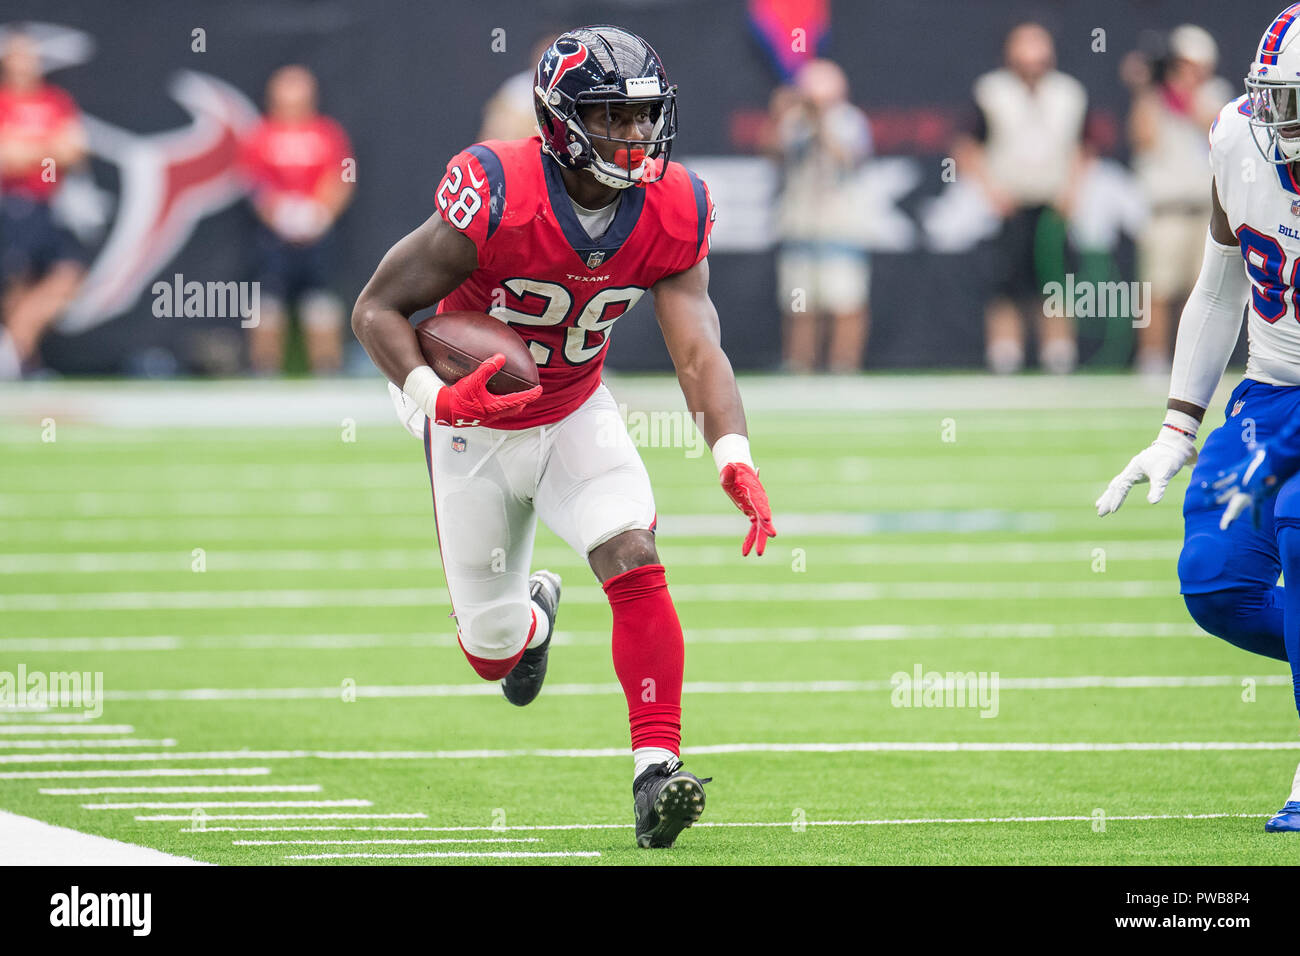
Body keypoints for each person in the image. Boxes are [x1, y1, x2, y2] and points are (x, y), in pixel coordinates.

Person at [352, 26, 777, 848]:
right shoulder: (499, 188)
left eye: (644, 117)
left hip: (578, 409)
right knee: (492, 650)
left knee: (634, 557)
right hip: (477, 429)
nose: (634, 136)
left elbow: (698, 346)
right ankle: (536, 622)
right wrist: (434, 400)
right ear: (558, 122)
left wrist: (733, 453)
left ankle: (656, 774)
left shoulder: (675, 205)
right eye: (612, 117)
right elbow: (375, 307)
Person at [1096, 4, 1300, 833]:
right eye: (1272, 98)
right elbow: (1219, 287)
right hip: (1274, 392)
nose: (1274, 120)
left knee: (1295, 526)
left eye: (1293, 101)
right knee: (1215, 582)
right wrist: (1177, 427)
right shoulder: (1236, 139)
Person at [955, 22, 1087, 374]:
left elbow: (1082, 149)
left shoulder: (1068, 93)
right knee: (1006, 284)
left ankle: (1058, 354)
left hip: (1052, 205)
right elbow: (968, 147)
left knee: (1056, 281)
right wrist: (991, 191)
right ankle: (1005, 354)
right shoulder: (992, 91)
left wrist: (1072, 191)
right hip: (1009, 205)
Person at [1128, 25, 1234, 376]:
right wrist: (1147, 89)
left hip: (1207, 210)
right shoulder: (1154, 98)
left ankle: (1196, 366)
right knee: (1157, 289)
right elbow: (1142, 139)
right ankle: (1152, 362)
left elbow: (1213, 129)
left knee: (1202, 292)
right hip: (1165, 210)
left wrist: (1181, 96)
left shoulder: (1216, 92)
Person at [239, 65, 354, 374]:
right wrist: (279, 213)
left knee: (321, 303)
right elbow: (253, 183)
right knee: (267, 303)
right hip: (273, 237)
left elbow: (341, 177)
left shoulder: (326, 132)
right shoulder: (261, 134)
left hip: (317, 235)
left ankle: (328, 370)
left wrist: (320, 214)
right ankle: (263, 370)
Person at [769, 58, 873, 373]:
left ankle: (844, 366)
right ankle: (799, 365)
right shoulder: (793, 121)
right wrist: (780, 114)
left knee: (846, 301)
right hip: (801, 223)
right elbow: (773, 154)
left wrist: (821, 122)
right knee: (799, 303)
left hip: (841, 224)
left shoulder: (850, 121)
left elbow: (850, 159)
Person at [0, 28, 88, 379]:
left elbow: (75, 151)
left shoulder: (55, 100)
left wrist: (28, 148)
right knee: (15, 281)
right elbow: (7, 158)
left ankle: (15, 354)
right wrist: (49, 147)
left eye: (32, 55)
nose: (27, 62)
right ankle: (22, 362)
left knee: (67, 272)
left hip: (45, 204)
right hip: (11, 204)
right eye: (19, 55)